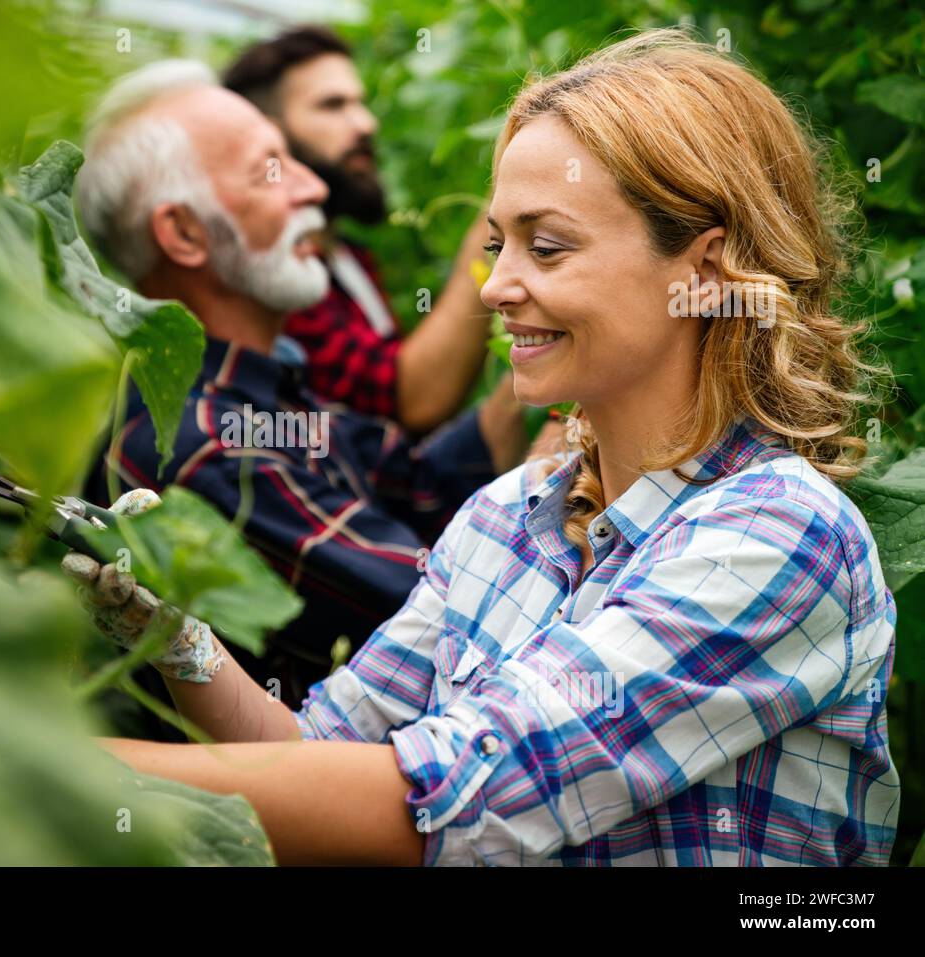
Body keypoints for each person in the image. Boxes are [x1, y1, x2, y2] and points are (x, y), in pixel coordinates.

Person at [69, 29, 900, 866]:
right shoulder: (504, 514)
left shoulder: (780, 532)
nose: (496, 287)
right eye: (499, 244)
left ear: (706, 272)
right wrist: (189, 648)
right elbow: (317, 743)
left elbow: (443, 806)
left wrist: (59, 770)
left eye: (546, 246)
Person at [73, 61, 530, 708]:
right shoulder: (199, 447)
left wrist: (555, 370)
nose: (316, 186)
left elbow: (423, 480)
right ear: (183, 232)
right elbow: (452, 608)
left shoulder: (261, 390)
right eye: (272, 168)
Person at [223, 26, 497, 434]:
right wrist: (494, 227)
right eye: (333, 106)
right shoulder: (272, 272)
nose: (366, 124)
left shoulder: (348, 256)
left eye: (360, 104)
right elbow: (410, 401)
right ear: (267, 133)